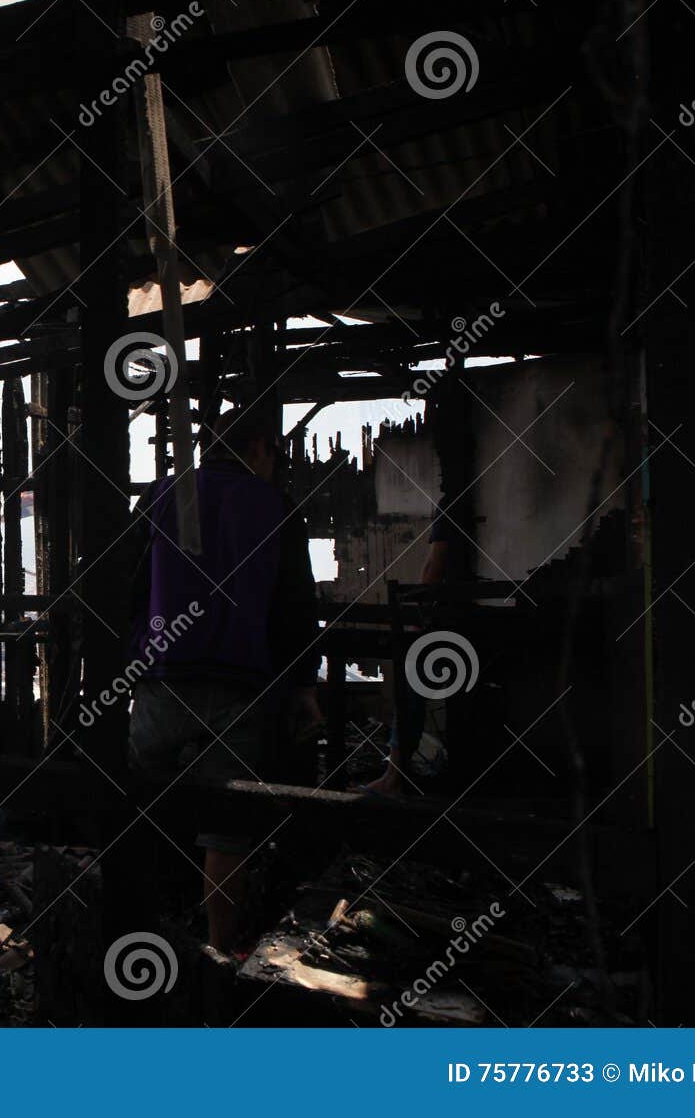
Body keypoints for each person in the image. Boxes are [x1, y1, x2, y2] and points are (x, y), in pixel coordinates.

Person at [126, 406, 320, 954]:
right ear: (257, 448)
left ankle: (136, 932)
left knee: (142, 803)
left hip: (162, 678)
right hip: (241, 686)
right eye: (274, 454)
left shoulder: (159, 495)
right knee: (227, 826)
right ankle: (220, 949)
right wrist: (304, 685)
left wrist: (130, 661)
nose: (275, 465)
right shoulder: (276, 507)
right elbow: (295, 607)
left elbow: (126, 586)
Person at [364, 491, 464, 796]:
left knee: (411, 677)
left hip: (452, 624)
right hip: (476, 620)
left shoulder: (453, 501)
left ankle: (395, 775)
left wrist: (419, 618)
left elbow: (434, 566)